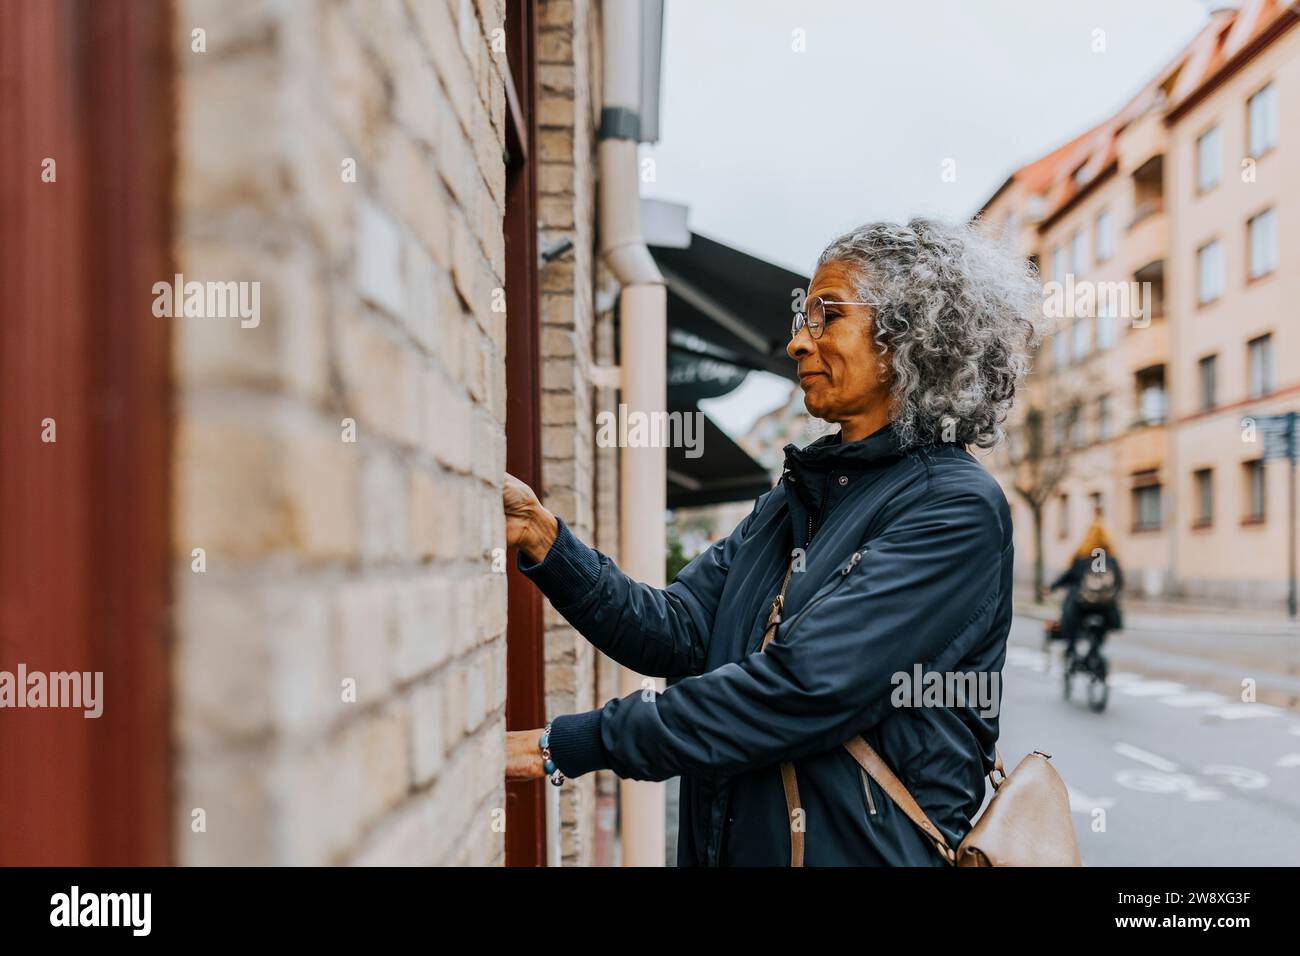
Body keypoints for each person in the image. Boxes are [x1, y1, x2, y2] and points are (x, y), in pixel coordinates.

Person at [503, 218, 1041, 865]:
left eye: (825, 316)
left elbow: (800, 688)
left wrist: (567, 744)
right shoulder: (795, 501)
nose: (796, 343)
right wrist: (542, 538)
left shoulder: (955, 509)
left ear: (908, 336)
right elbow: (673, 629)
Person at [1048, 514, 1124, 669]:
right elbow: (1119, 583)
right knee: (1104, 623)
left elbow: (1068, 577)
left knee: (1068, 614)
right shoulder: (1110, 559)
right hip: (1105, 608)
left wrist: (1051, 587)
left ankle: (1071, 650)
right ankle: (1095, 651)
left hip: (1082, 606)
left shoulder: (1083, 558)